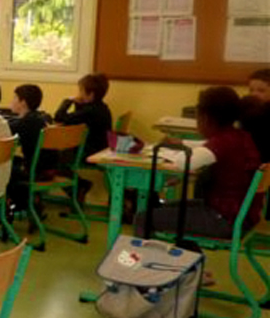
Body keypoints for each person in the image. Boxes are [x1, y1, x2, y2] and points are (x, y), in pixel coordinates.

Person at [136, 86, 262, 239]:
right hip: (241, 215)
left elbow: (183, 162)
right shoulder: (237, 136)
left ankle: (153, 259)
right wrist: (182, 142)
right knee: (160, 207)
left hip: (224, 220)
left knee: (143, 218)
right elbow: (206, 148)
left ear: (206, 117)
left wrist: (171, 149)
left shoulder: (222, 143)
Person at [54, 72, 113, 158]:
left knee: (56, 152)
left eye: (81, 90)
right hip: (99, 148)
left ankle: (63, 171)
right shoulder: (101, 107)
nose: (79, 94)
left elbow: (59, 118)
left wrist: (67, 101)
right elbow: (76, 119)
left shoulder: (90, 111)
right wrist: (79, 105)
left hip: (92, 152)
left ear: (91, 95)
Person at [241, 67, 270, 162]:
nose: (254, 94)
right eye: (251, 90)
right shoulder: (250, 109)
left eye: (261, 90)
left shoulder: (262, 114)